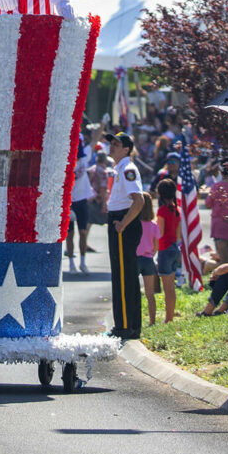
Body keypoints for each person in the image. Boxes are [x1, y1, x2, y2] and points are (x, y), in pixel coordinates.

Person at [104, 131, 144, 339]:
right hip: (119, 220)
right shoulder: (120, 169)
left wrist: (123, 224)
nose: (112, 146)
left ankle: (125, 326)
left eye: (116, 144)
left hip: (123, 223)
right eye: (111, 143)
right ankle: (127, 324)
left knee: (123, 276)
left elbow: (139, 201)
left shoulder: (128, 168)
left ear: (126, 149)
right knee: (123, 275)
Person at [66, 133, 92, 274]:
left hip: (82, 200)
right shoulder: (66, 160)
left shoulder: (84, 158)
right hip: (69, 202)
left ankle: (82, 262)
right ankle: (71, 264)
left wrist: (102, 125)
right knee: (70, 234)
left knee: (83, 232)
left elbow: (94, 141)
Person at [155, 179, 180, 323]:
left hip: (164, 250)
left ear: (160, 194)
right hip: (175, 248)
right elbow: (178, 236)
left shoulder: (162, 211)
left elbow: (160, 232)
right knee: (171, 287)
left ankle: (168, 318)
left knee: (167, 288)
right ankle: (170, 317)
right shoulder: (176, 210)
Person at [136, 193, 161, 326]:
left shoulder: (134, 224)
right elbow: (156, 245)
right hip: (148, 259)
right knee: (150, 293)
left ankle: (134, 320)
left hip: (135, 259)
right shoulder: (153, 225)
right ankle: (152, 321)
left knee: (134, 292)